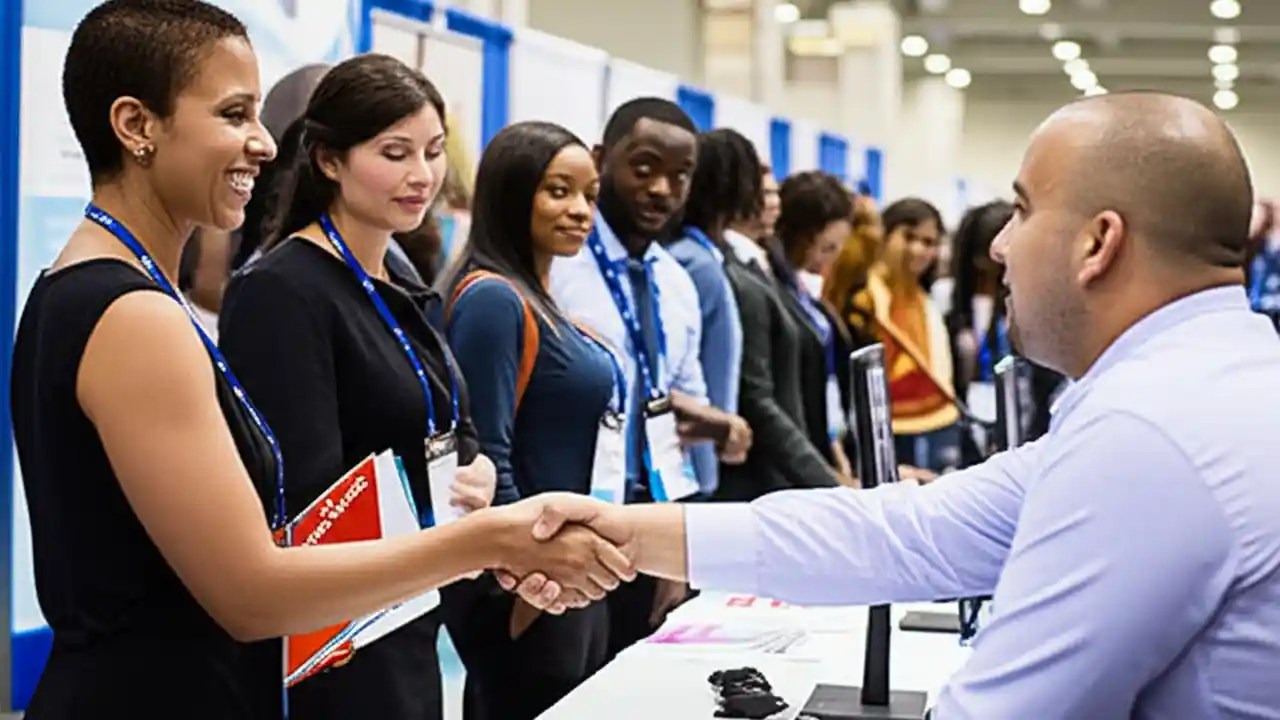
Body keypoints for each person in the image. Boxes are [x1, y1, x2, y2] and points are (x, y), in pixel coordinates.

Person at [515, 91, 1280, 719]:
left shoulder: (1148, 435)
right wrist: (626, 533)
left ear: (1098, 243)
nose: (998, 247)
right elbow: (907, 533)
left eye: (1020, 211)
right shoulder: (1196, 385)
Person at [10, 3, 631, 719]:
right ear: (136, 125)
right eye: (234, 114)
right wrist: (487, 537)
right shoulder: (134, 315)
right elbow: (253, 592)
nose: (265, 145)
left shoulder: (111, 292)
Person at [215, 54, 619, 719]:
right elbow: (303, 495)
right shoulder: (281, 291)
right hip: (335, 636)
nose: (422, 175)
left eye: (432, 152)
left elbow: (452, 431)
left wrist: (479, 471)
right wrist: (460, 534)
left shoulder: (403, 289)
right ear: (329, 161)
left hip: (411, 613)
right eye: (394, 152)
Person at [548, 97, 748, 657]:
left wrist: (678, 555)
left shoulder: (677, 283)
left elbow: (675, 429)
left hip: (645, 528)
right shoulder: (559, 265)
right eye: (644, 167)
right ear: (600, 159)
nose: (662, 188)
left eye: (680, 175)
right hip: (565, 531)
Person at [436, 121, 617, 719]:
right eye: (558, 191)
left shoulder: (542, 299)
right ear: (514, 193)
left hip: (571, 574)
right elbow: (487, 453)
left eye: (590, 195)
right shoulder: (493, 300)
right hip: (531, 583)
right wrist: (529, 585)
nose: (580, 211)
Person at [696, 136, 842, 500]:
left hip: (784, 470)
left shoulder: (763, 267)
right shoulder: (727, 271)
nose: (773, 200)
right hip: (757, 478)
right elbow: (756, 396)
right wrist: (827, 482)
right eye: (763, 188)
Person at [663, 128, 754, 497]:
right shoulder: (698, 267)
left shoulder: (693, 259)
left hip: (694, 455)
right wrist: (724, 431)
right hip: (694, 460)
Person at [857, 198, 961, 471]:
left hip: (939, 424)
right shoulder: (864, 297)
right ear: (885, 234)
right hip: (886, 429)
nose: (918, 250)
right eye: (909, 237)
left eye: (929, 243)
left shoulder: (927, 302)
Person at [767, 172, 856, 480]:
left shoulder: (806, 295)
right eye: (827, 248)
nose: (830, 260)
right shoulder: (773, 292)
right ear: (802, 236)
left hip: (826, 438)